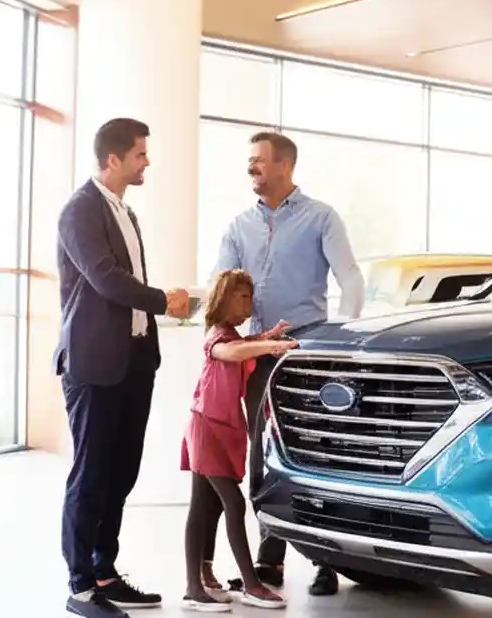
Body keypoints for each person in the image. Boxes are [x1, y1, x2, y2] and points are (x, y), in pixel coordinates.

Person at [206, 131, 365, 597]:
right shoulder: (239, 226)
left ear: (285, 166)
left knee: (321, 455)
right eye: (249, 160)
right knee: (266, 455)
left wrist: (347, 341)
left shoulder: (321, 218)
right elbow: (219, 287)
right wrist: (218, 341)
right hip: (256, 354)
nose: (251, 167)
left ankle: (328, 561)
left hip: (306, 352)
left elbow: (350, 279)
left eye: (258, 160)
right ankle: (269, 562)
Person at [55, 117, 193, 618]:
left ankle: (105, 571)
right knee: (91, 474)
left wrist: (160, 306)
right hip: (94, 363)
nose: (147, 162)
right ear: (113, 159)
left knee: (121, 472)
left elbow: (126, 283)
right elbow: (107, 280)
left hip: (134, 360)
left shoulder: (125, 213)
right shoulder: (80, 211)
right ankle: (80, 586)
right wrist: (165, 302)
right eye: (140, 154)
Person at [181, 269, 295, 612]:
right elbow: (230, 353)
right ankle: (251, 584)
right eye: (242, 297)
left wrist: (265, 335)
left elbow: (242, 346)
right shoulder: (217, 336)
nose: (250, 303)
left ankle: (197, 582)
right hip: (208, 429)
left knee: (206, 506)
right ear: (224, 299)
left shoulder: (231, 334)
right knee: (232, 503)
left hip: (220, 428)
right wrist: (273, 344)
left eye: (250, 297)